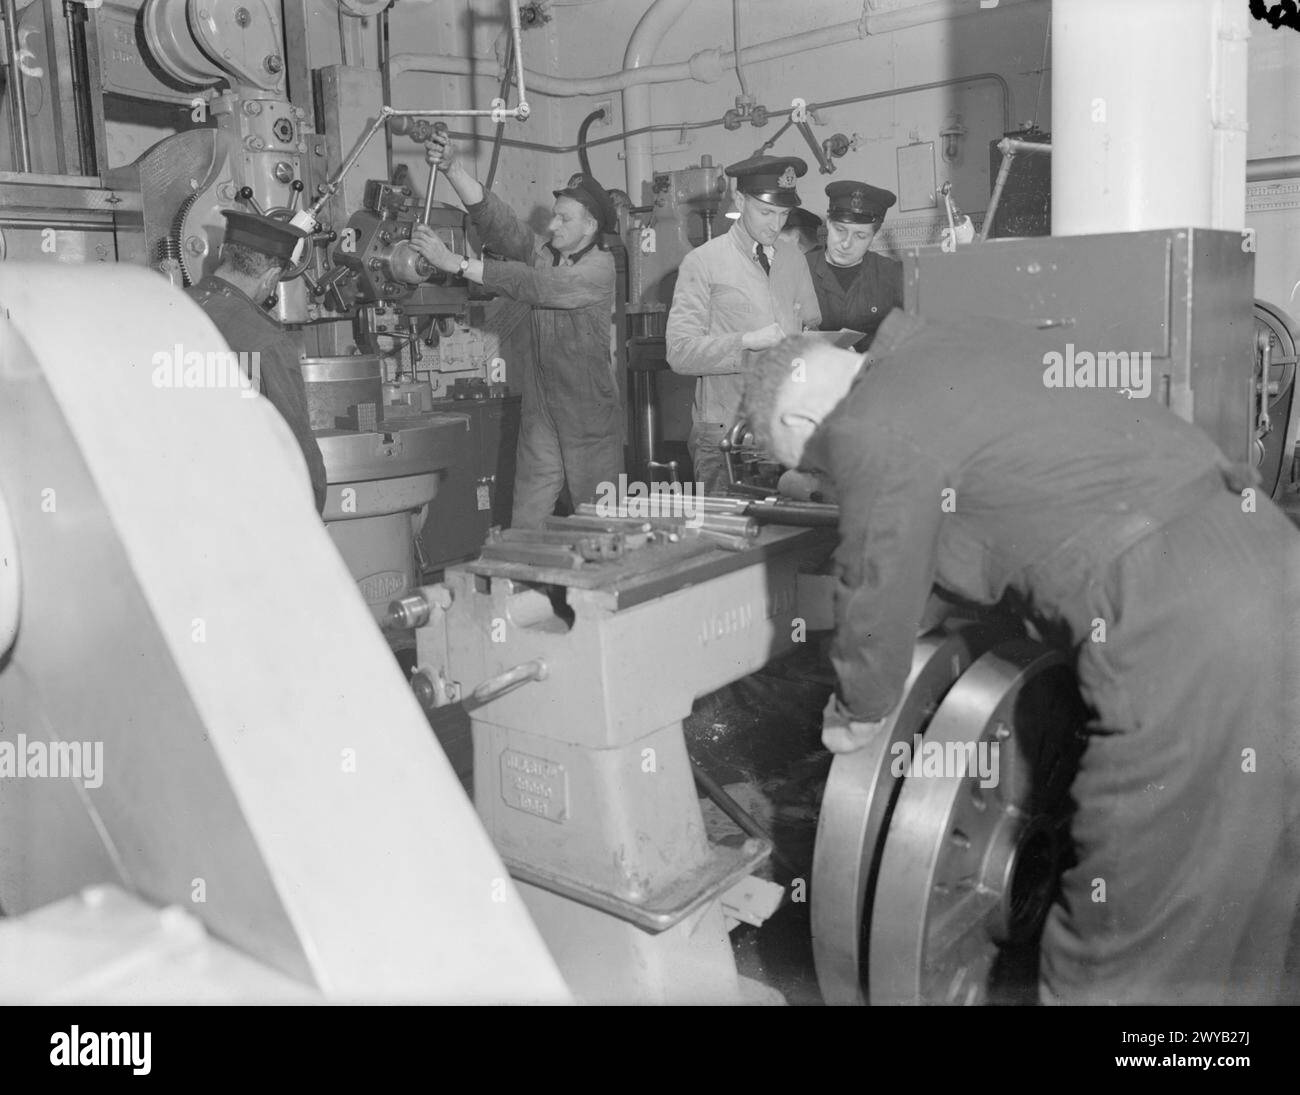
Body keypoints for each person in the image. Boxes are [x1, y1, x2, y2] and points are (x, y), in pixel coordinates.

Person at [742, 315, 1300, 1005]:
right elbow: (1002, 512)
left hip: (1180, 624)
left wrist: (854, 712)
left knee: (1123, 947)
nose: (823, 478)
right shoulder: (948, 343)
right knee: (1241, 906)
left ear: (798, 416)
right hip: (1268, 557)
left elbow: (877, 589)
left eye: (807, 464)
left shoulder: (870, 420)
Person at [411, 133, 621, 529]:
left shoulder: (598, 270)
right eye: (554, 215)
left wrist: (455, 263)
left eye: (564, 218)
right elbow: (501, 225)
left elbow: (534, 286)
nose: (553, 223)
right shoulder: (546, 254)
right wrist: (453, 168)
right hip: (541, 406)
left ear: (591, 225)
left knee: (601, 524)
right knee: (526, 521)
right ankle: (526, 586)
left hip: (588, 412)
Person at [665, 155, 820, 493]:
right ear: (739, 201)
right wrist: (746, 341)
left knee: (785, 539)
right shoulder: (703, 263)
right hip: (725, 436)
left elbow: (809, 325)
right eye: (766, 212)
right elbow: (679, 353)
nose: (776, 225)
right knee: (729, 538)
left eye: (782, 214)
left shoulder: (793, 259)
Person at [186, 209, 327, 513]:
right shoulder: (264, 341)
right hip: (239, 510)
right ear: (271, 277)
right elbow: (294, 446)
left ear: (224, 253)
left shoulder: (166, 307)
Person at [806, 180, 903, 351]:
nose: (846, 244)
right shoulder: (801, 269)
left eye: (859, 236)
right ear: (828, 223)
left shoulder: (891, 274)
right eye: (840, 230)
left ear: (874, 235)